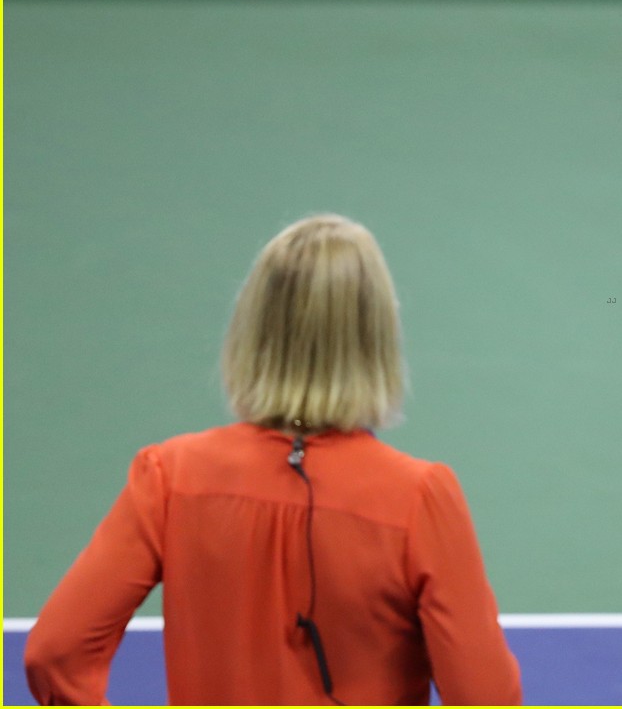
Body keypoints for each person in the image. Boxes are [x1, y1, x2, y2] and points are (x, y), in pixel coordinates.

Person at [24, 214, 522, 706]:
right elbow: (487, 697)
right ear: (376, 340)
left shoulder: (169, 477)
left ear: (253, 329)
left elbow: (54, 654)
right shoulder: (420, 497)